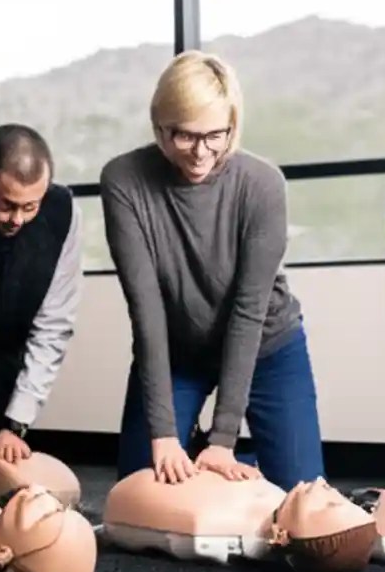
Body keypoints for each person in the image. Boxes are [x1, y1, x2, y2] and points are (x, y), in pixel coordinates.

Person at [100, 50, 324, 489]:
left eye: (216, 135)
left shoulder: (261, 184)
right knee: (139, 489)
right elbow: (146, 311)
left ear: (232, 126)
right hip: (178, 352)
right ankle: (193, 441)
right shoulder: (124, 181)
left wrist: (223, 438)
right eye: (184, 136)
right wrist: (164, 435)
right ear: (159, 126)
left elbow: (248, 311)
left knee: (303, 496)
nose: (201, 152)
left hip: (265, 347)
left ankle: (236, 456)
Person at [0, 124, 82, 476]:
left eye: (30, 207)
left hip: (3, 366)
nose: (17, 219)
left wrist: (15, 425)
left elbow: (53, 326)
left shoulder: (62, 211)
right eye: (7, 205)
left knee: (0, 477)